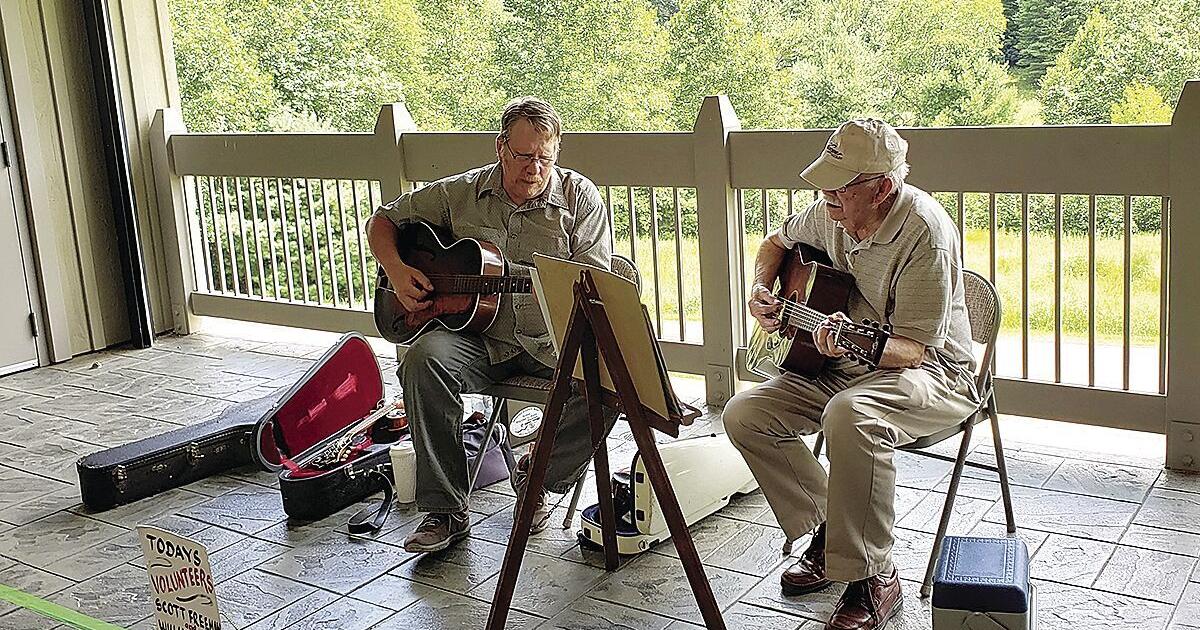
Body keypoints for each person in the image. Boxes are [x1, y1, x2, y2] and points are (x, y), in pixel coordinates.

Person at [722, 119, 979, 630]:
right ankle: (831, 536)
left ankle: (874, 577)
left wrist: (851, 339)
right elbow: (775, 242)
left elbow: (913, 348)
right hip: (841, 365)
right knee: (745, 412)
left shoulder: (924, 234)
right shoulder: (829, 212)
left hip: (934, 373)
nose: (825, 196)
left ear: (881, 188)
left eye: (838, 186)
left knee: (850, 414)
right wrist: (761, 289)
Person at [366, 96, 615, 553]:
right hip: (477, 337)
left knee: (613, 381)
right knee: (423, 360)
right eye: (524, 156)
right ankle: (445, 510)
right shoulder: (459, 192)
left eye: (545, 156)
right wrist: (399, 273)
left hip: (549, 343)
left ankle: (536, 474)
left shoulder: (580, 198)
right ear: (501, 147)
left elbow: (594, 282)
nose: (534, 168)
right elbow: (382, 221)